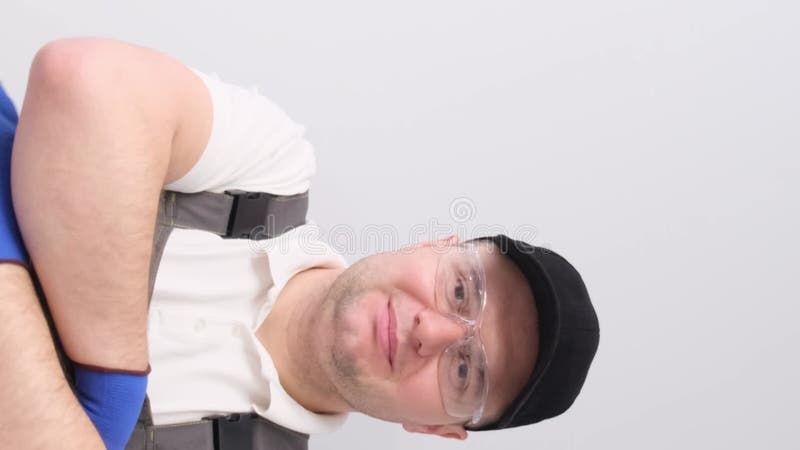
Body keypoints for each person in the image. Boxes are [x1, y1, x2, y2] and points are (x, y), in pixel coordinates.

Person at [0, 37, 599, 449]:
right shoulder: (269, 169)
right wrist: (109, 401)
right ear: (435, 245)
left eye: (465, 371)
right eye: (462, 291)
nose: (432, 331)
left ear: (437, 430)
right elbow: (81, 82)